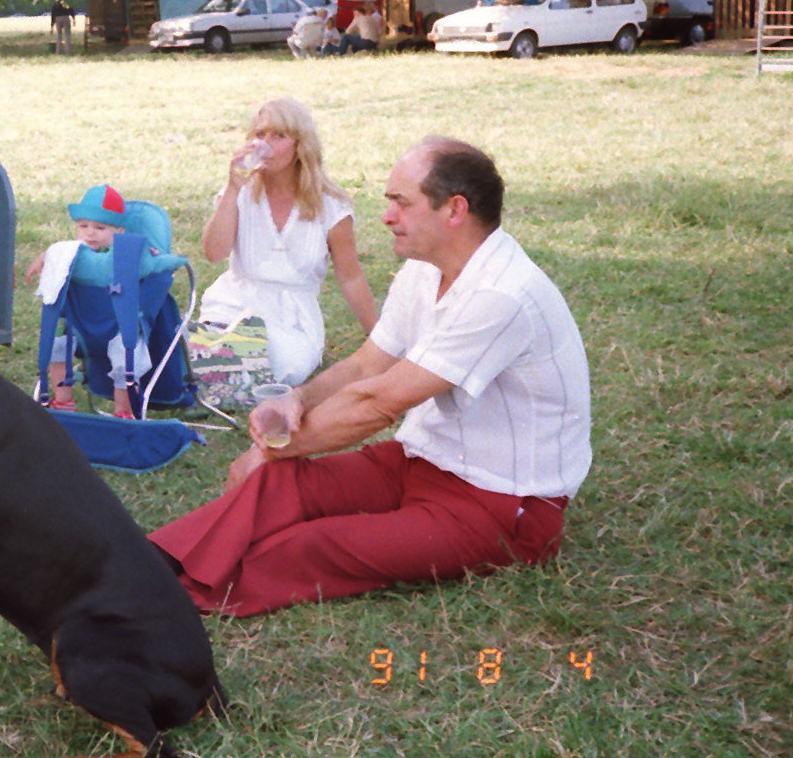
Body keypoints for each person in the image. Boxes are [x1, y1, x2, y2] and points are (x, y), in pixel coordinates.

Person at [152, 137, 591, 617]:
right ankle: (145, 562)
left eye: (401, 203)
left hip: (501, 505)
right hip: (420, 461)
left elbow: (379, 403)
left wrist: (274, 445)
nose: (386, 216)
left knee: (312, 544)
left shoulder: (502, 294)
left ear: (455, 210)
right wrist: (297, 398)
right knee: (282, 485)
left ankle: (158, 598)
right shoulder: (426, 270)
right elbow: (365, 365)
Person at [196, 96, 378, 388]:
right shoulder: (240, 193)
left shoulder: (331, 206)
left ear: (299, 147)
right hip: (234, 304)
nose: (264, 144)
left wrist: (381, 340)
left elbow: (351, 277)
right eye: (259, 134)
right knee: (231, 344)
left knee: (286, 364)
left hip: (291, 318)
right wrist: (232, 189)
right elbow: (213, 253)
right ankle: (220, 362)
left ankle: (214, 366)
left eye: (278, 136)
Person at [24, 184, 146, 418]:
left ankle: (123, 410)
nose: (90, 233)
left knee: (125, 358)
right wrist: (42, 259)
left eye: (100, 228)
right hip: (81, 327)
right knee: (55, 345)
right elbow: (54, 254)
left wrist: (156, 258)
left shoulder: (127, 252)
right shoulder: (70, 253)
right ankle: (63, 400)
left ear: (119, 231)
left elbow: (149, 261)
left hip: (121, 329)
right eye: (83, 226)